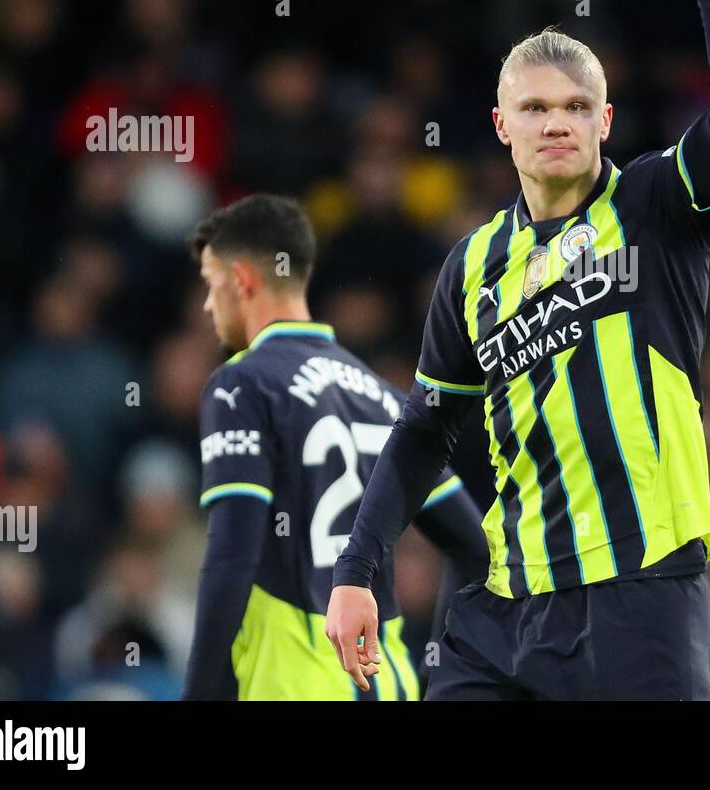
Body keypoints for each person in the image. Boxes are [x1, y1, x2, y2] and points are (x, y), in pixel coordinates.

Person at [326, 0, 710, 699]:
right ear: (502, 125)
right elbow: (427, 428)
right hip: (505, 602)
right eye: (534, 107)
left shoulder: (653, 206)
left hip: (639, 589)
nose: (556, 122)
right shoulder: (472, 265)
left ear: (606, 122)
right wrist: (359, 566)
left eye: (577, 106)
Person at [181, 194, 487, 699]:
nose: (210, 306)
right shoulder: (386, 399)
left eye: (212, 286)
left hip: (292, 683)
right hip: (391, 686)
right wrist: (444, 679)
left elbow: (233, 555)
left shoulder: (242, 385)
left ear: (242, 279)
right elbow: (476, 548)